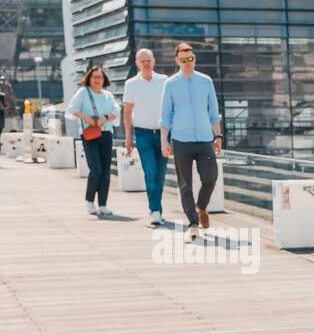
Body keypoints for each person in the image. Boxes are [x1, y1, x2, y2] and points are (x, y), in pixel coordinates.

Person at [159, 42, 222, 240]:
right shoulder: (170, 84)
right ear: (177, 60)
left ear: (195, 59)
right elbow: (165, 115)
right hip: (181, 140)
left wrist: (218, 136)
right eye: (184, 59)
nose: (188, 62)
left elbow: (213, 112)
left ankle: (201, 206)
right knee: (185, 185)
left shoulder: (206, 81)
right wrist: (164, 141)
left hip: (204, 138)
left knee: (210, 178)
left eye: (191, 58)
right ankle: (193, 222)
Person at [123, 48, 168, 225]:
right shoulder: (131, 84)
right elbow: (127, 113)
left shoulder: (164, 81)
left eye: (148, 60)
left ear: (154, 61)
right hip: (142, 134)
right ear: (137, 63)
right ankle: (155, 211)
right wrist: (128, 137)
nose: (146, 64)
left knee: (161, 174)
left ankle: (156, 208)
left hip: (163, 134)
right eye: (142, 61)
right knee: (150, 172)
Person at [67, 64, 119, 217]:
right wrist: (87, 118)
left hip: (106, 134)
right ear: (89, 78)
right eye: (94, 77)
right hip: (90, 135)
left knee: (106, 171)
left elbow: (117, 110)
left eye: (100, 77)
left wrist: (105, 118)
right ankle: (89, 201)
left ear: (104, 79)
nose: (97, 79)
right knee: (96, 169)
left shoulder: (108, 95)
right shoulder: (83, 92)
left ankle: (103, 204)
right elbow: (72, 109)